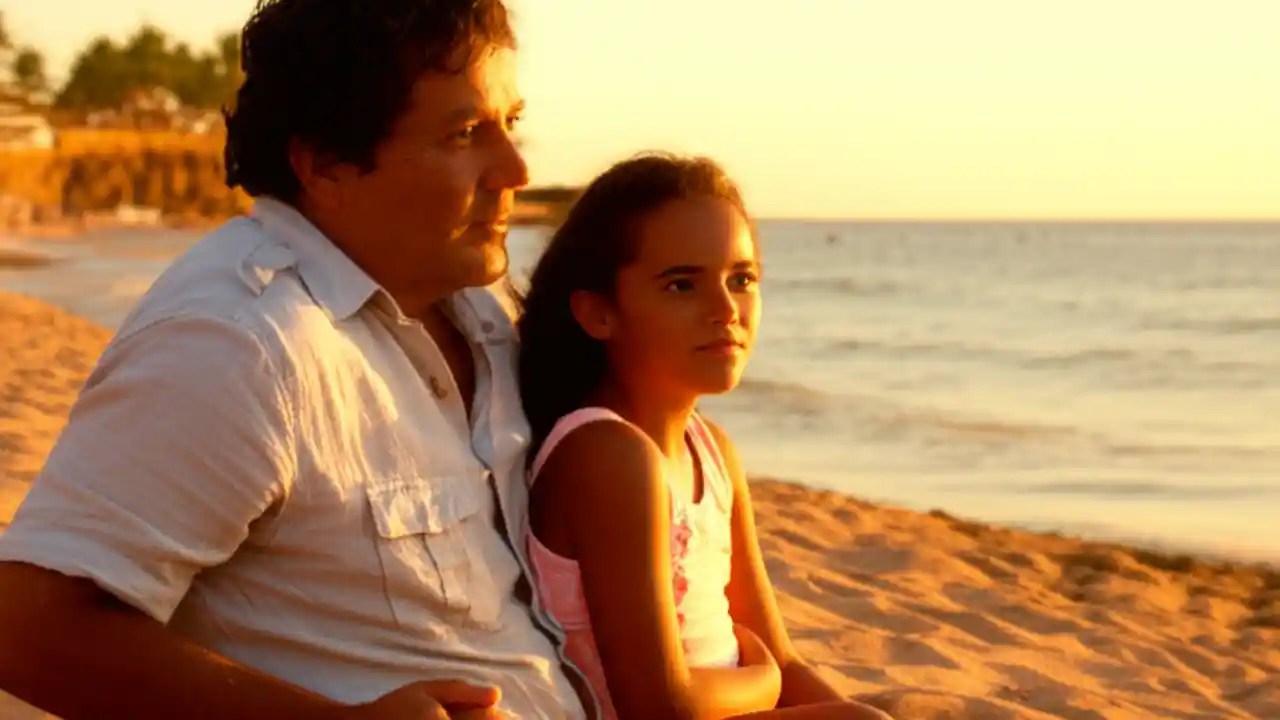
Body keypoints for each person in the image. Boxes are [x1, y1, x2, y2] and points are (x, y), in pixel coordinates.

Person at [0, 0, 591, 717]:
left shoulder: (482, 306)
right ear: (325, 165)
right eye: (465, 133)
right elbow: (27, 629)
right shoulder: (238, 342)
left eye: (512, 122)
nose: (516, 168)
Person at [517, 154, 893, 720]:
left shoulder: (712, 450)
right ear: (598, 313)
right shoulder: (606, 453)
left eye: (741, 279)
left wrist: (789, 684)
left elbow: (784, 662)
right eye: (681, 285)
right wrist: (760, 679)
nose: (725, 310)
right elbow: (659, 706)